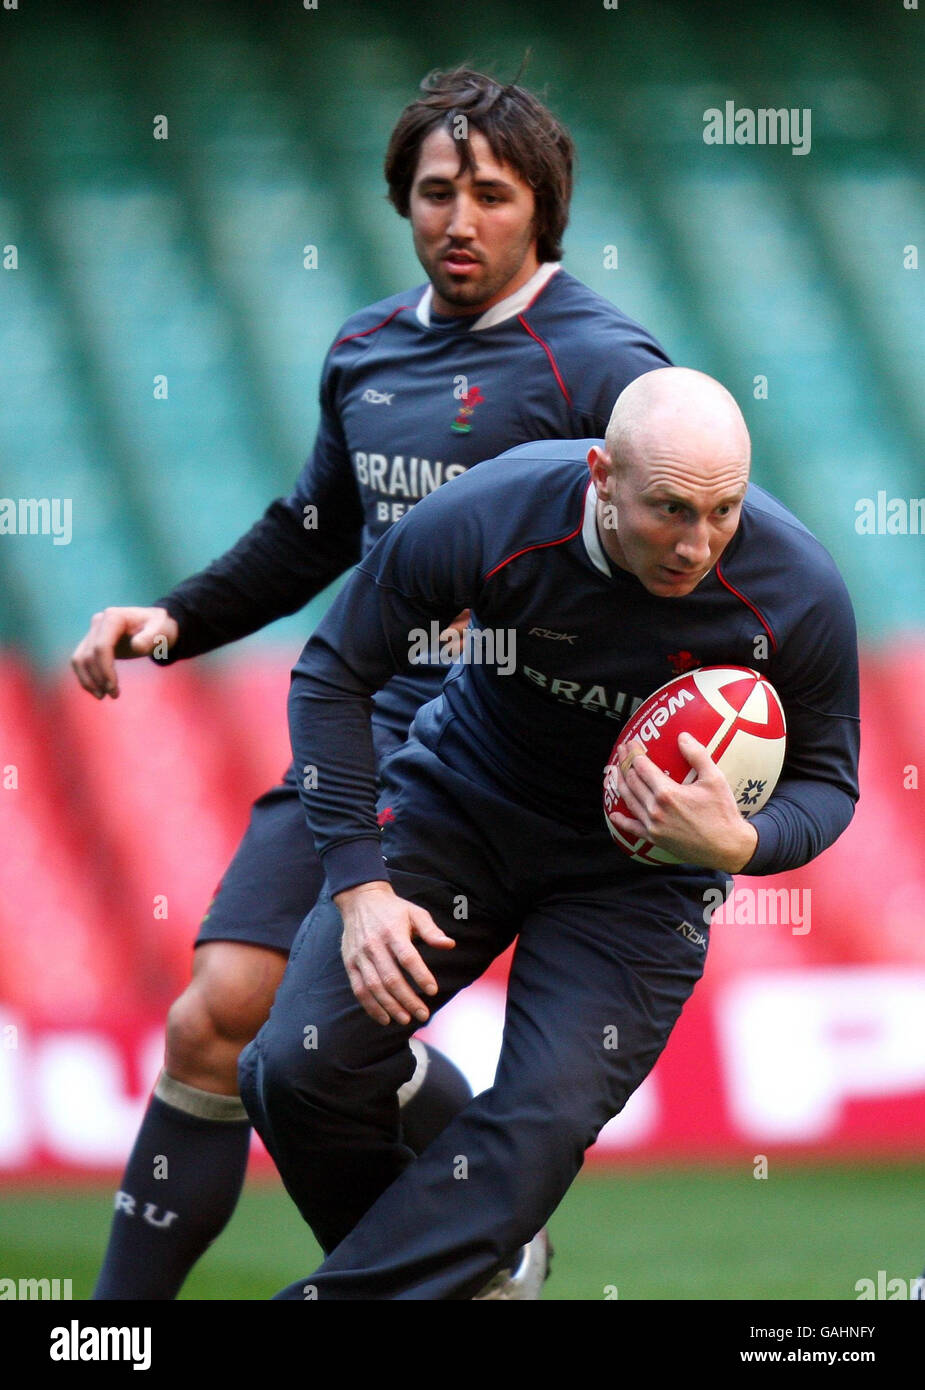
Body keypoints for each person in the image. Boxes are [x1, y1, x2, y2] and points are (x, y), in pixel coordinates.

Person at [71, 66, 672, 1300]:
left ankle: (461, 1244)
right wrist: (172, 616)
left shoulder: (605, 366)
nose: (460, 219)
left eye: (491, 195)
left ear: (540, 210)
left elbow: (680, 550)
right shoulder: (366, 350)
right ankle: (107, 1331)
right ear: (402, 199)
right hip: (358, 724)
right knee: (212, 1018)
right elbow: (312, 529)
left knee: (312, 1049)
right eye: (435, 191)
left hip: (490, 750)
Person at [239, 366, 861, 1299]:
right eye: (669, 510)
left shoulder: (795, 590)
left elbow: (830, 783)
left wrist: (740, 846)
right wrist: (360, 885)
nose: (698, 545)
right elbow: (332, 675)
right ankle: (486, 1265)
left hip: (640, 877)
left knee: (543, 1119)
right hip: (463, 801)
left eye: (723, 511)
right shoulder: (489, 515)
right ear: (600, 476)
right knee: (294, 1069)